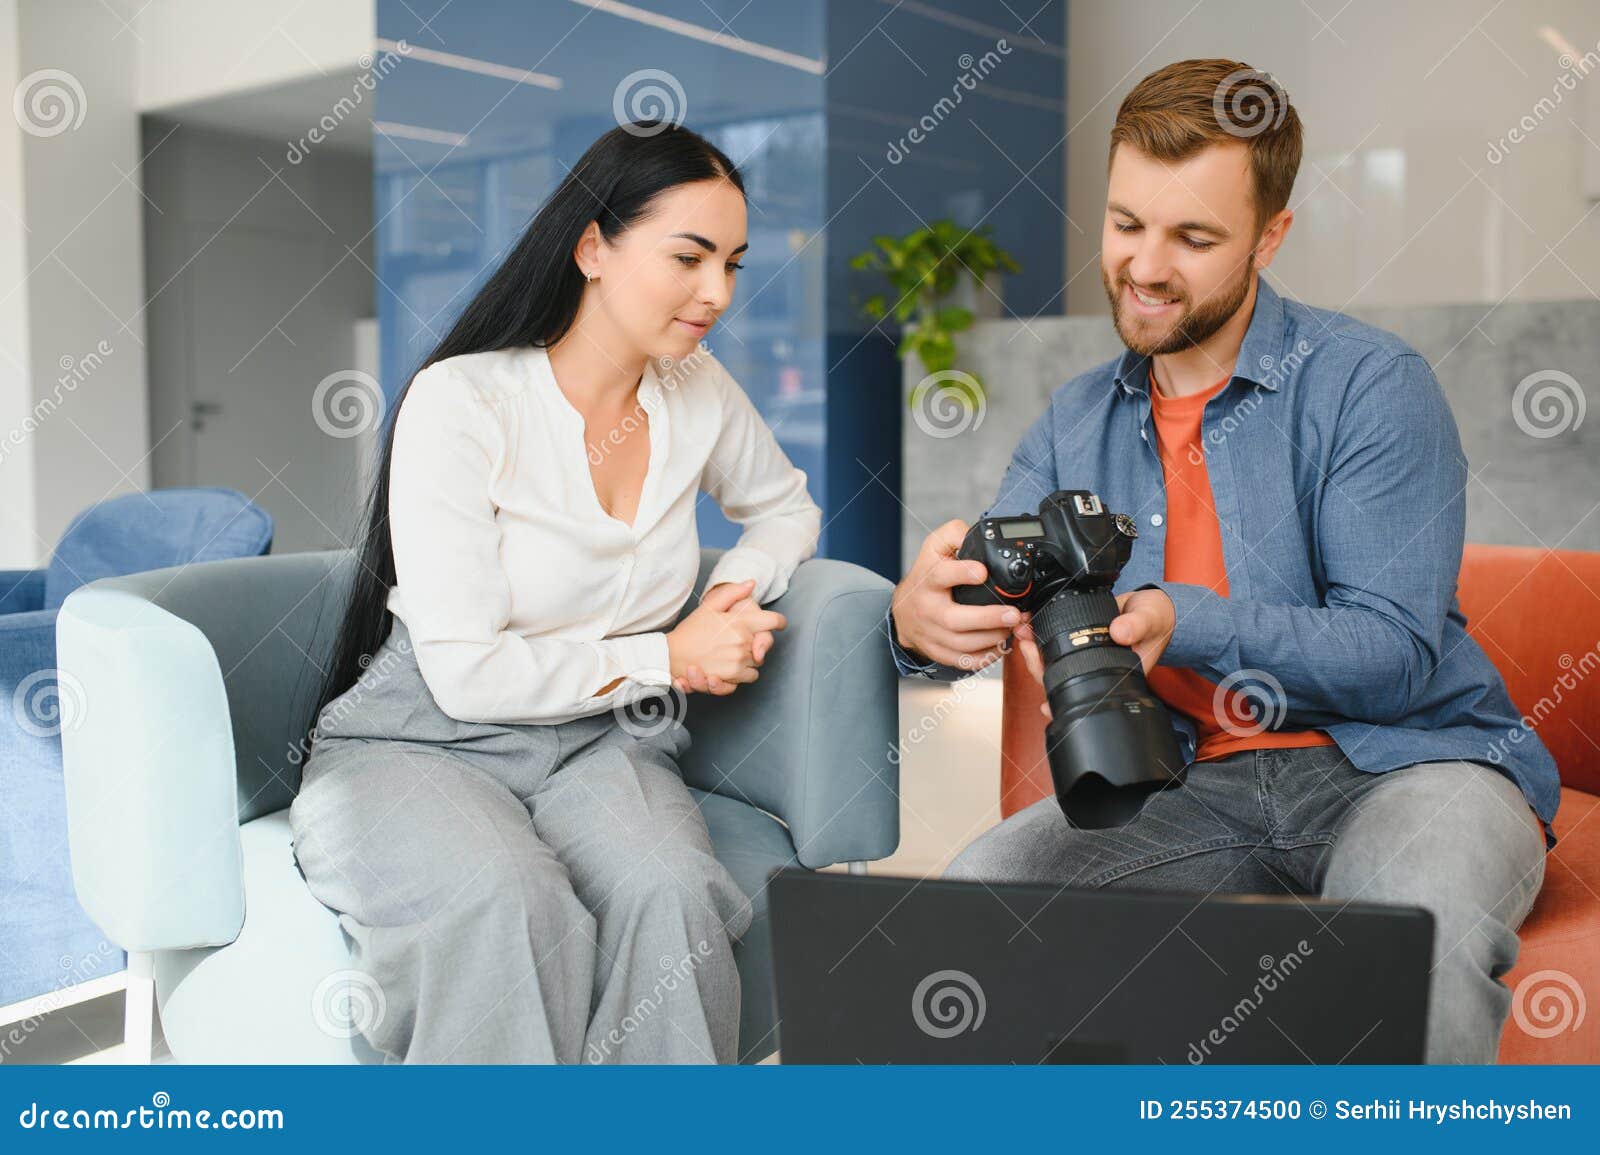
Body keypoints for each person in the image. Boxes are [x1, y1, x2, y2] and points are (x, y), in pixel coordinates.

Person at [886, 59, 1556, 1063]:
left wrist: (1181, 618)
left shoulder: (1369, 385)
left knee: (1409, 938)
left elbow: (1391, 655)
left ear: (1268, 237)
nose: (1146, 267)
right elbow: (994, 588)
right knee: (974, 912)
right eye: (1126, 224)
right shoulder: (1076, 420)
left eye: (1193, 239)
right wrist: (921, 624)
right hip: (1187, 788)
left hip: (1409, 766)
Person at [289, 121, 821, 1064]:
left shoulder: (697, 389)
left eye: (733, 263)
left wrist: (732, 592)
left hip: (603, 742)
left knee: (673, 892)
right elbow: (466, 676)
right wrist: (670, 655)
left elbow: (785, 508)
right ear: (592, 249)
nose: (719, 293)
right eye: (689, 257)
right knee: (510, 898)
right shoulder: (464, 399)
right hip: (424, 737)